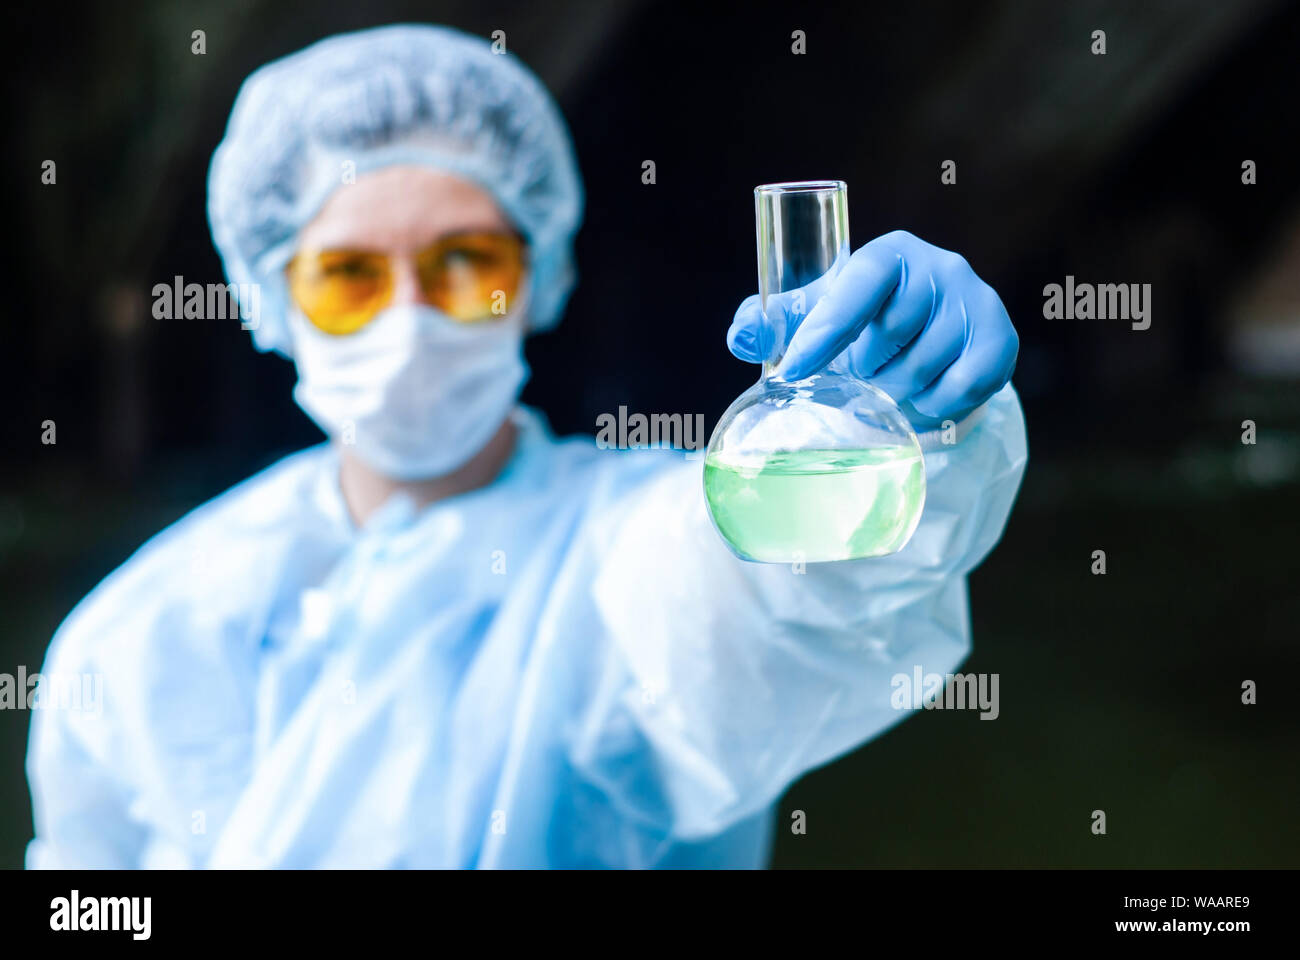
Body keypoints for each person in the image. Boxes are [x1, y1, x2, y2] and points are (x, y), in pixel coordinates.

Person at [26, 24, 1027, 869]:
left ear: (540, 274)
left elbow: (782, 602)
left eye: (469, 263)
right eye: (349, 274)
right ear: (271, 298)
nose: (412, 314)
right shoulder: (137, 636)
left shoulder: (627, 544)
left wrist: (909, 422)